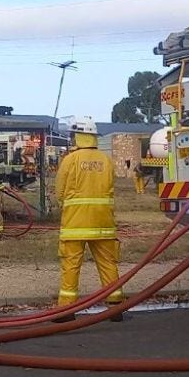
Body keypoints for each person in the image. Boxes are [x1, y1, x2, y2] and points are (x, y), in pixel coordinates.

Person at [54, 116, 123, 316]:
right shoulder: (106, 160)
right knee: (108, 263)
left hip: (75, 225)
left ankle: (66, 310)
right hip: (103, 223)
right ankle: (116, 306)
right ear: (92, 137)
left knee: (71, 265)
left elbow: (60, 190)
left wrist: (65, 205)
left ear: (78, 136)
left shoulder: (70, 160)